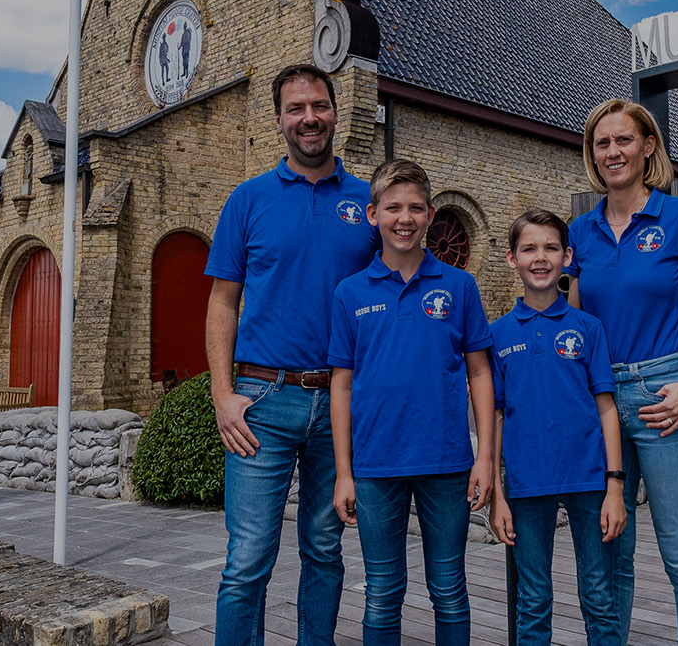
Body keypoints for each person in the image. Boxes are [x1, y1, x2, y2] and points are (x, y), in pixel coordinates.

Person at [205, 64, 380, 646]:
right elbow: (223, 302)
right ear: (279, 119)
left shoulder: (369, 204)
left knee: (325, 551)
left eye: (319, 105)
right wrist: (223, 396)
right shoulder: (248, 200)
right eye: (297, 108)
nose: (310, 118)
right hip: (262, 404)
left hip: (339, 404)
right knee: (248, 559)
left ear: (336, 111)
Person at [566, 98, 678, 646]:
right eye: (602, 143)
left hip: (664, 396)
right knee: (611, 553)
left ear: (647, 148)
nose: (612, 152)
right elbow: (572, 322)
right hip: (601, 400)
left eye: (623, 141)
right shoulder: (580, 231)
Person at [326, 158, 496, 646]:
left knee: (448, 590)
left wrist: (484, 456)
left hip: (445, 463)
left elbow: (480, 371)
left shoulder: (459, 286)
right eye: (394, 207)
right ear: (372, 214)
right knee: (382, 593)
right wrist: (344, 471)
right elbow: (341, 383)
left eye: (416, 208)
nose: (405, 218)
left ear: (430, 216)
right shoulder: (350, 293)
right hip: (376, 465)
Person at [487, 209, 625, 646]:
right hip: (527, 484)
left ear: (567, 257)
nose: (540, 258)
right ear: (512, 259)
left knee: (600, 597)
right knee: (533, 600)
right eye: (529, 249)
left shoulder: (589, 328)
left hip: (589, 481)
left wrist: (616, 486)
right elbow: (493, 416)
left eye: (550, 248)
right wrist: (497, 495)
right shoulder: (497, 335)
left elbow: (606, 409)